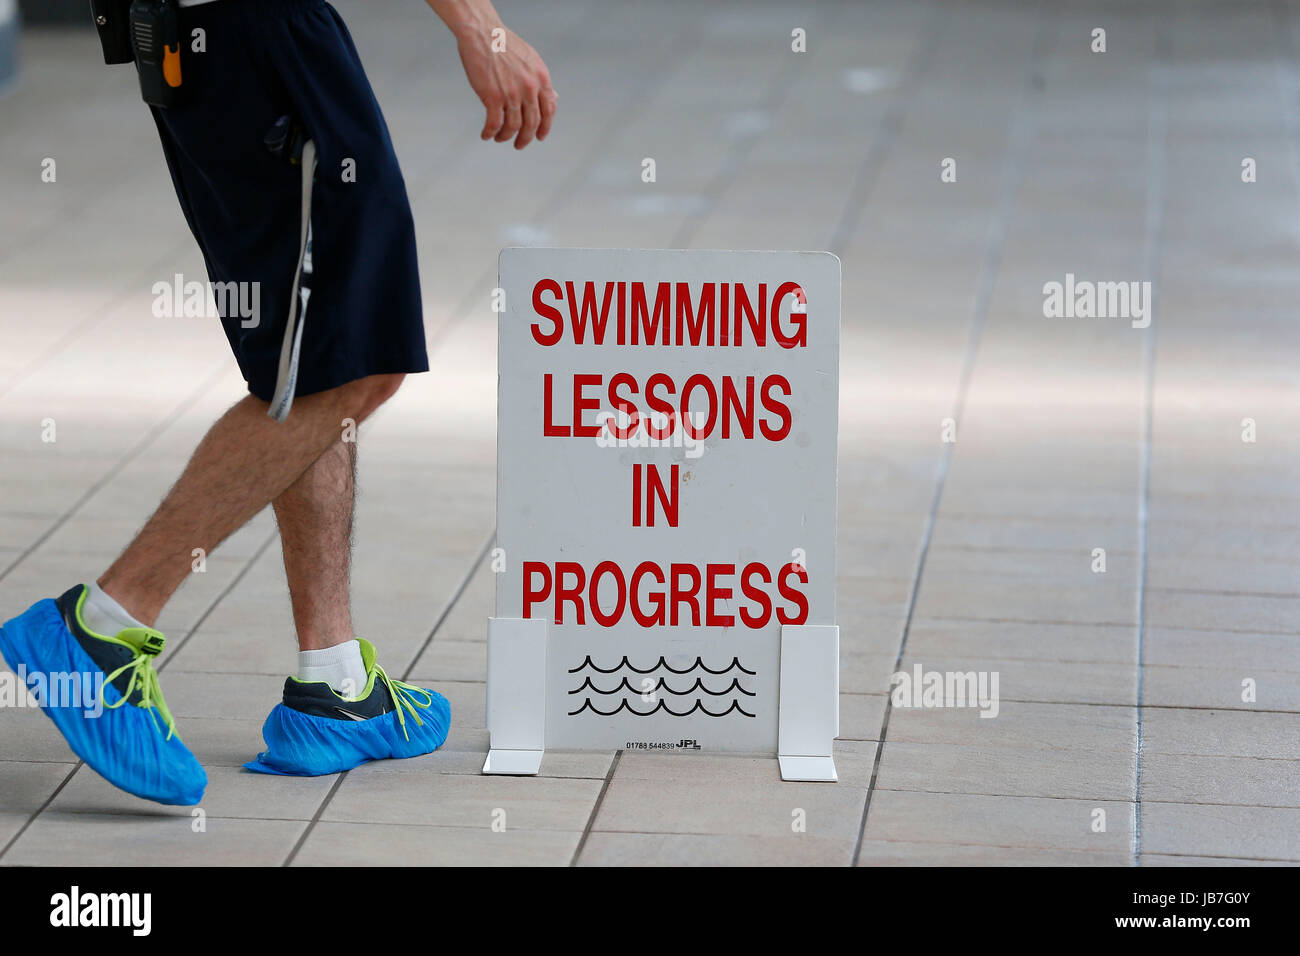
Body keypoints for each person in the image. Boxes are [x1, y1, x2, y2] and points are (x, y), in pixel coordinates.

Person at [0, 0, 557, 804]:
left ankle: (334, 683)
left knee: (317, 361)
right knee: (352, 368)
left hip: (214, 41)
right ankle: (100, 631)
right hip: (258, 37)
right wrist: (479, 25)